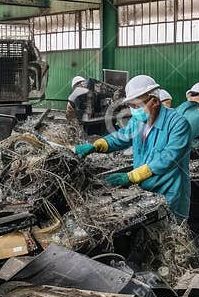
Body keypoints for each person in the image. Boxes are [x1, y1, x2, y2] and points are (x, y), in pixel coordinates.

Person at [74, 75, 192, 219]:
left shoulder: (178, 124)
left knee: (171, 236)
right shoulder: (138, 121)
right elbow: (121, 137)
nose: (134, 110)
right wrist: (95, 146)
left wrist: (131, 176)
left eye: (137, 105)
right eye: (131, 106)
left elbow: (167, 159)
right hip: (144, 190)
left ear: (154, 101)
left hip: (169, 194)